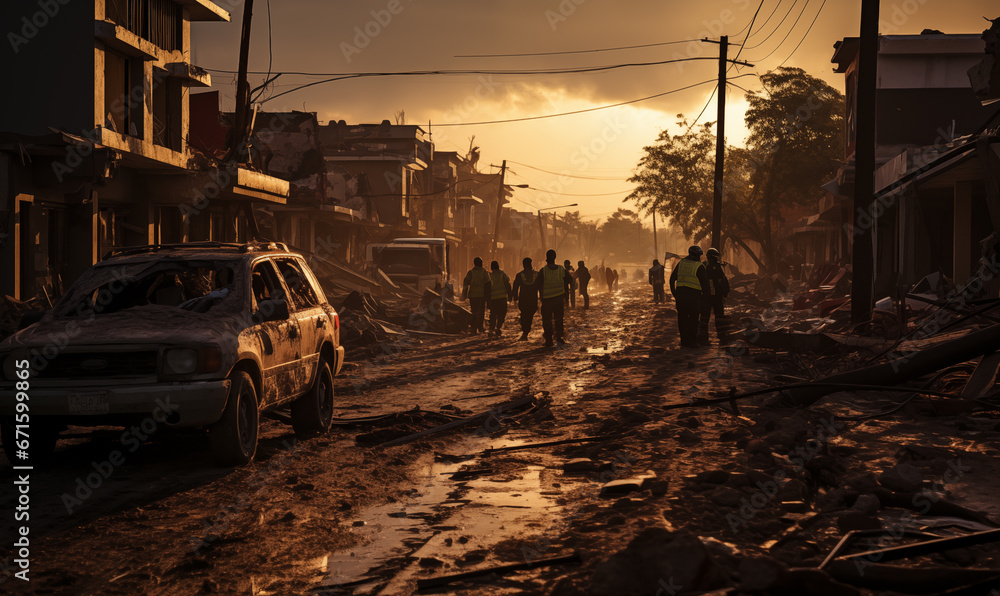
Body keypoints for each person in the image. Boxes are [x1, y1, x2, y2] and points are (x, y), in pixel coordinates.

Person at [669, 246, 710, 348]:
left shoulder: (681, 263)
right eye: (698, 255)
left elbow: (672, 280)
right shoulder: (699, 266)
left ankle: (684, 342)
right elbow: (706, 286)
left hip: (681, 298)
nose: (699, 258)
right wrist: (706, 302)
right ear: (695, 255)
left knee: (682, 319)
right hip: (694, 298)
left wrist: (675, 295)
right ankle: (692, 342)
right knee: (693, 320)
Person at [531, 249, 573, 347]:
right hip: (559, 300)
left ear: (547, 258)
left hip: (546, 301)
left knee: (547, 321)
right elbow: (569, 280)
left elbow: (536, 285)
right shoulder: (561, 269)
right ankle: (559, 338)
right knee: (558, 319)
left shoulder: (543, 271)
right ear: (555, 258)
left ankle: (549, 340)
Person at [698, 248, 731, 345]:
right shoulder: (714, 267)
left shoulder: (706, 266)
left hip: (709, 297)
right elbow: (723, 282)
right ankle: (720, 338)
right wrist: (725, 294)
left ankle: (706, 338)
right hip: (713, 297)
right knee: (713, 318)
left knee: (709, 318)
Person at [512, 257, 539, 340]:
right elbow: (541, 287)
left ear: (523, 265)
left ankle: (525, 332)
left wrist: (515, 298)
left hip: (523, 299)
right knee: (530, 315)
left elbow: (515, 287)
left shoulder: (519, 275)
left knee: (524, 315)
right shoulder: (537, 275)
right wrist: (542, 297)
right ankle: (526, 331)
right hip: (533, 299)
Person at [462, 257, 491, 335]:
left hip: (473, 296)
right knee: (481, 312)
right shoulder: (484, 272)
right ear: (481, 263)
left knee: (474, 312)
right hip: (482, 296)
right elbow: (488, 284)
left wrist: (464, 294)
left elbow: (465, 282)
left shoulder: (471, 272)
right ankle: (480, 328)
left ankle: (473, 329)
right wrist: (488, 297)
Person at [487, 260, 512, 339]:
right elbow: (508, 284)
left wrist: (487, 300)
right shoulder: (502, 274)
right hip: (502, 299)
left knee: (493, 315)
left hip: (493, 299)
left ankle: (491, 329)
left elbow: (487, 288)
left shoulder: (490, 275)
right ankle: (498, 327)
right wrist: (510, 296)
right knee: (502, 314)